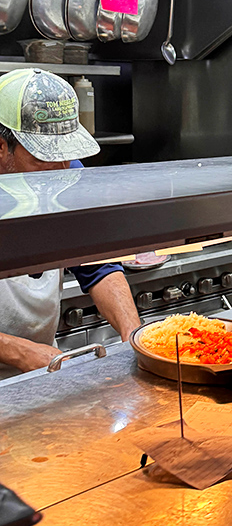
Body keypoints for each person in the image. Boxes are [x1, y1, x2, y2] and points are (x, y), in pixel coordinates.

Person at [0, 69, 139, 378]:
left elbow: (98, 265)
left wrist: (133, 336)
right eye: (42, 157)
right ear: (0, 147)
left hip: (39, 373)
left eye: (65, 154)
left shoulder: (65, 173)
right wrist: (18, 350)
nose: (60, 170)